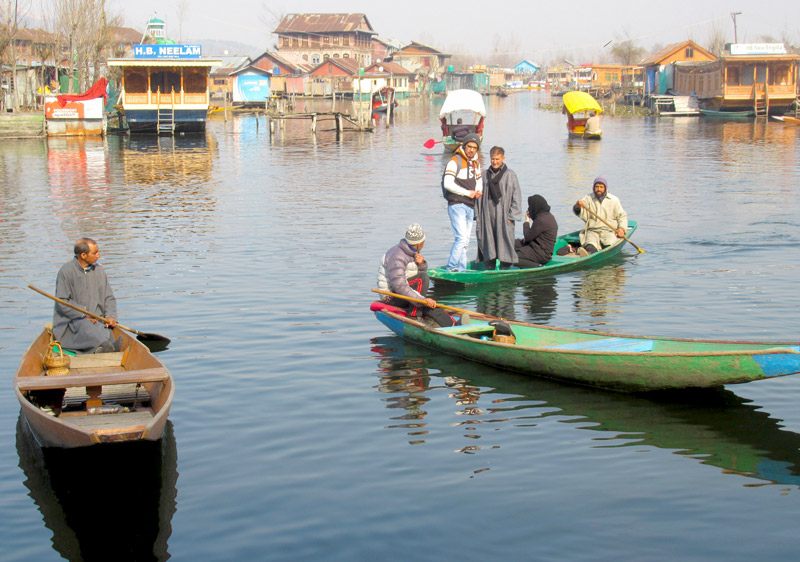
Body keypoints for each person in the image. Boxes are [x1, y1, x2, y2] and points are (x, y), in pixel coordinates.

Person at [377, 224, 456, 327]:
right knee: (423, 279)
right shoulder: (397, 256)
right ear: (419, 243)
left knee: (431, 307)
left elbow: (413, 275)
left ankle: (454, 325)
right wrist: (421, 300)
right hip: (392, 297)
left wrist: (421, 264)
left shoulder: (412, 252)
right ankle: (414, 315)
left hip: (406, 293)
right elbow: (400, 286)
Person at [52, 238, 121, 353]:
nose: (98, 255)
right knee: (86, 326)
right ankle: (102, 348)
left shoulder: (99, 271)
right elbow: (62, 302)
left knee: (103, 328)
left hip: (97, 319)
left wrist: (111, 316)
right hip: (74, 321)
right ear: (83, 255)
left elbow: (108, 297)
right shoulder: (66, 271)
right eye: (95, 253)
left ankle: (107, 346)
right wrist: (83, 314)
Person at [476, 146, 522, 269]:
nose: (495, 162)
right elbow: (478, 195)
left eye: (497, 159)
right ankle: (489, 266)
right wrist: (477, 214)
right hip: (487, 213)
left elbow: (516, 196)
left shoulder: (510, 175)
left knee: (505, 241)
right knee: (487, 240)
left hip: (504, 214)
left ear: (503, 158)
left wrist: (511, 216)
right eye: (492, 159)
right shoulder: (484, 175)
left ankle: (505, 267)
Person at [442, 133, 482, 272]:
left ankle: (461, 270)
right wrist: (468, 193)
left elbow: (479, 181)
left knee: (465, 242)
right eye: (469, 147)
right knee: (461, 239)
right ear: (464, 146)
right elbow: (448, 184)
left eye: (474, 148)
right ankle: (451, 267)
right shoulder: (455, 161)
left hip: (470, 206)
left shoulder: (475, 163)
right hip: (457, 204)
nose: (471, 150)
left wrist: (477, 191)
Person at [573, 176, 628, 257]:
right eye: (597, 187)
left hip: (609, 230)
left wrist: (621, 229)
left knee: (609, 244)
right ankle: (589, 254)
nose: (599, 189)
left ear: (605, 188)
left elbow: (622, 216)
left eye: (601, 187)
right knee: (590, 244)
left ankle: (604, 253)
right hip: (592, 230)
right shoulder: (588, 198)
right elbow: (580, 212)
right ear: (593, 187)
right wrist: (577, 206)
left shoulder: (613, 200)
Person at [515, 194, 558, 268]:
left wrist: (527, 221)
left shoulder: (541, 220)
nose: (529, 209)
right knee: (512, 244)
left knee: (511, 258)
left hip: (541, 253)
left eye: (530, 207)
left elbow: (528, 237)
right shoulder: (547, 216)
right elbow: (535, 235)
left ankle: (538, 266)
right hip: (537, 246)